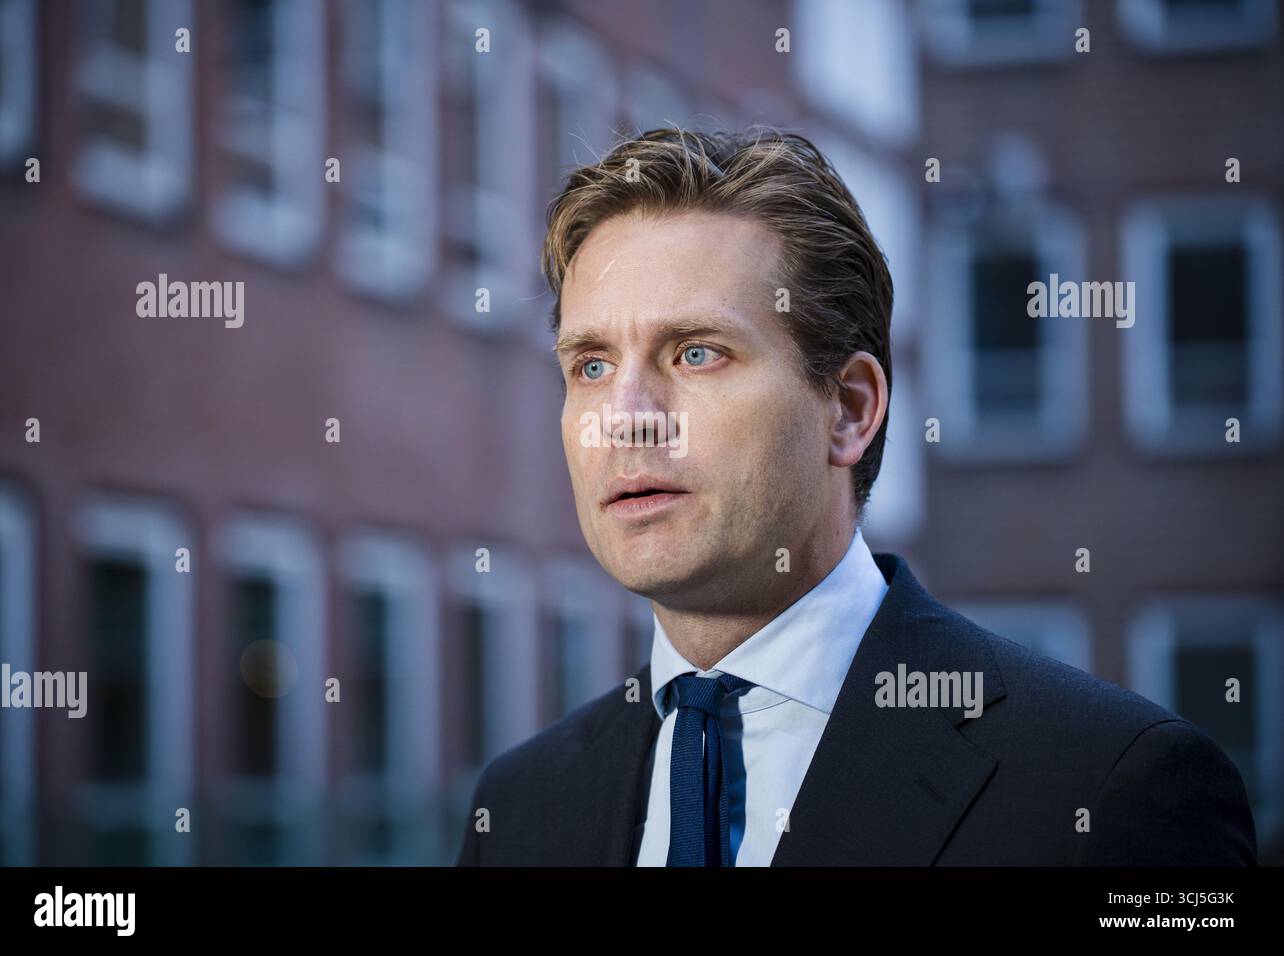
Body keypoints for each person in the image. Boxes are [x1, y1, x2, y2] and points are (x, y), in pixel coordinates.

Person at [456, 128, 1257, 866]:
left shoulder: (1113, 789)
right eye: (591, 366)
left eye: (696, 353)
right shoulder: (520, 810)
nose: (625, 420)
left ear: (849, 411)